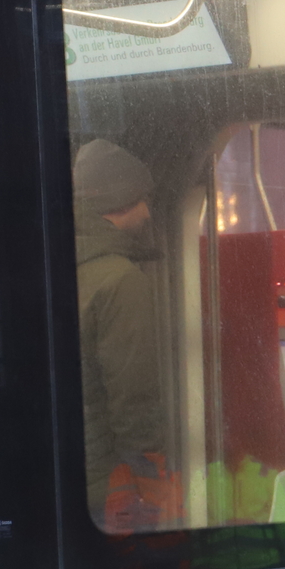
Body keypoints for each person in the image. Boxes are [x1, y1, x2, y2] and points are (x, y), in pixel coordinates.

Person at [73, 138, 172, 533]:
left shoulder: (55, 262)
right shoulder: (120, 280)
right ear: (118, 202)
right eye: (140, 199)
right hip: (111, 484)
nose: (148, 212)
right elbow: (134, 391)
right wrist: (149, 466)